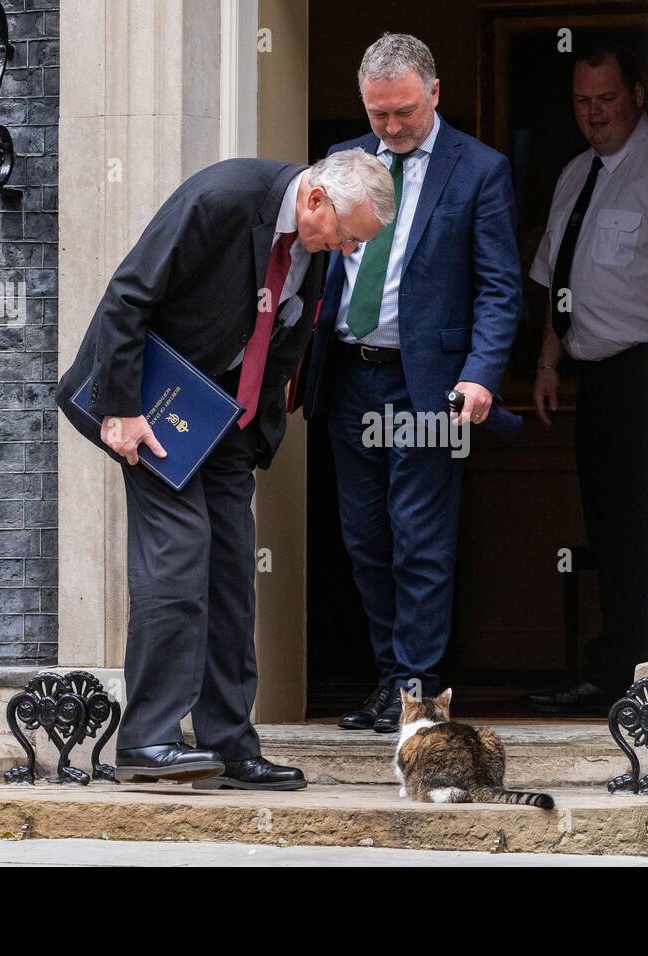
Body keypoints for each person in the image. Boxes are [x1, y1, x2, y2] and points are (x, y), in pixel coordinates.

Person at [55, 150, 395, 786]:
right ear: (316, 198)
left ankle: (231, 745)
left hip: (226, 425)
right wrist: (123, 410)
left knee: (233, 576)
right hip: (158, 408)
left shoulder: (313, 248)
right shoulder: (222, 197)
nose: (348, 250)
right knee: (178, 558)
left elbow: (285, 330)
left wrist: (258, 428)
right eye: (347, 235)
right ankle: (148, 739)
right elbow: (129, 295)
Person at [302, 33, 522, 733]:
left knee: (420, 541)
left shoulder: (479, 171)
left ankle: (419, 694)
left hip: (424, 387)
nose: (390, 129)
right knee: (365, 539)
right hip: (348, 378)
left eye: (402, 113)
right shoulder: (344, 164)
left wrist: (481, 375)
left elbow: (498, 287)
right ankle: (389, 681)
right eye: (378, 115)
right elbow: (313, 269)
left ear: (434, 92)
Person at [522, 42, 648, 714]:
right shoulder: (576, 173)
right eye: (582, 101)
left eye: (606, 98)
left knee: (639, 528)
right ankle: (613, 666)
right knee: (605, 525)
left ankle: (641, 670)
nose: (594, 113)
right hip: (592, 379)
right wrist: (548, 360)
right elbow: (554, 278)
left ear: (636, 92)